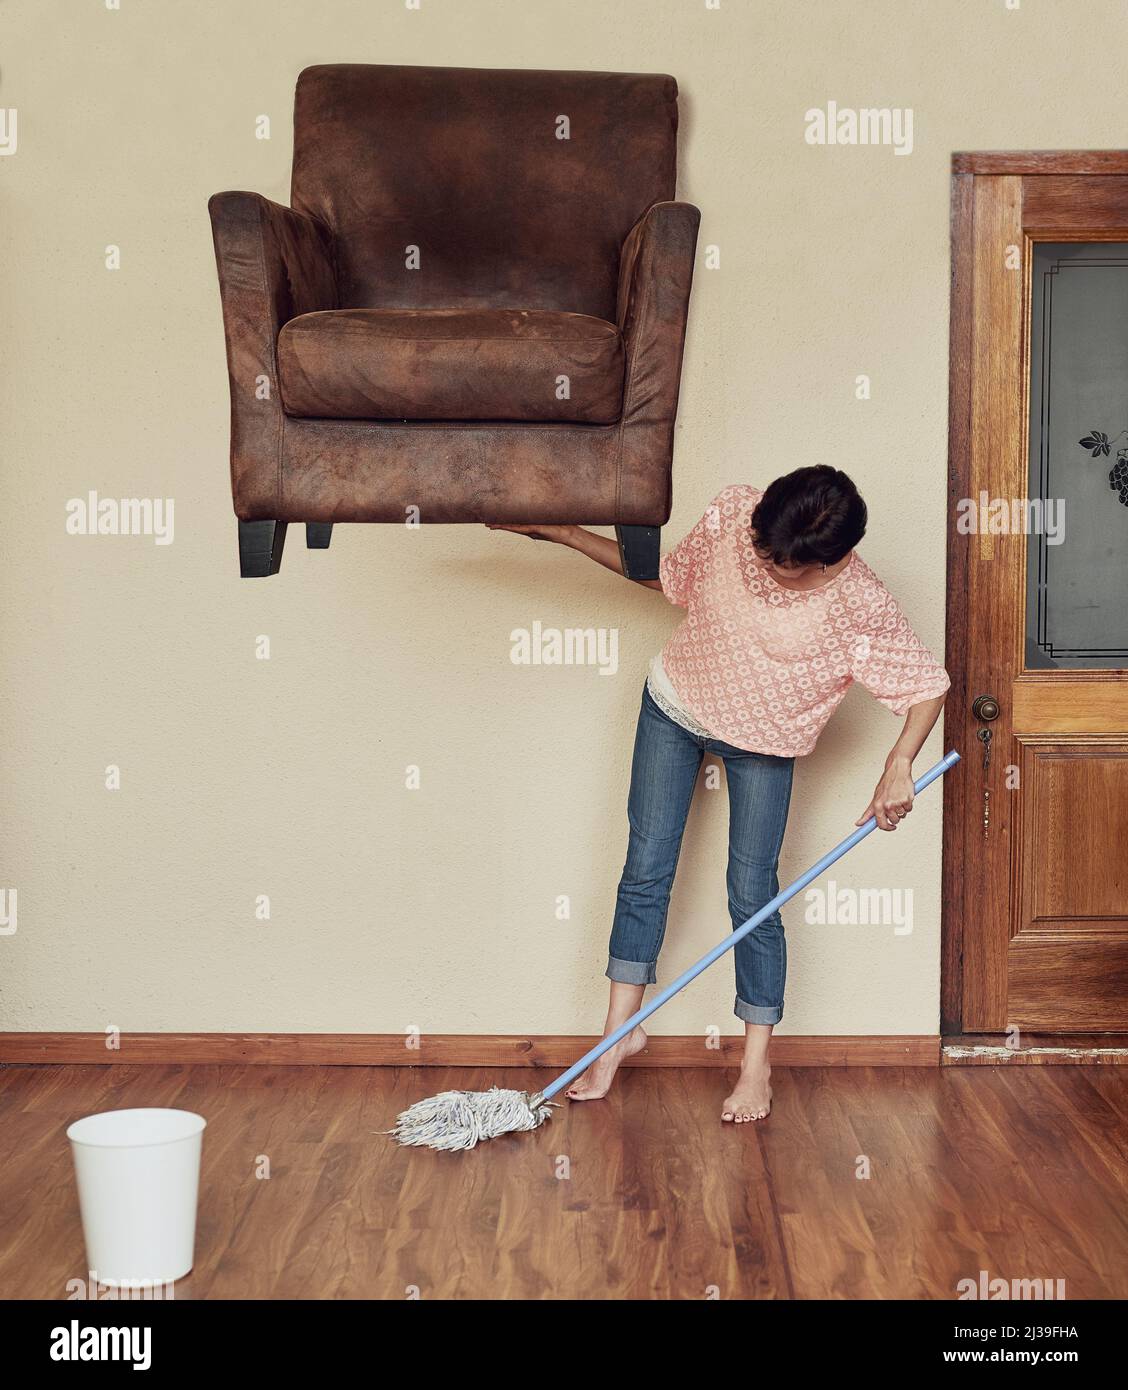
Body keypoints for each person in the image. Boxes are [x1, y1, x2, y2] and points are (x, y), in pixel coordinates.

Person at [489, 466, 950, 1123]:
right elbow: (667, 578)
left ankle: (755, 1067)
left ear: (831, 560)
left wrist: (899, 765)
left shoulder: (860, 603)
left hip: (765, 744)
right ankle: (619, 1036)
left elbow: (925, 685)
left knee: (753, 894)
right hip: (673, 709)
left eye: (782, 564)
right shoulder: (740, 513)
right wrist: (563, 532)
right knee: (645, 870)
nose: (763, 566)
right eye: (761, 550)